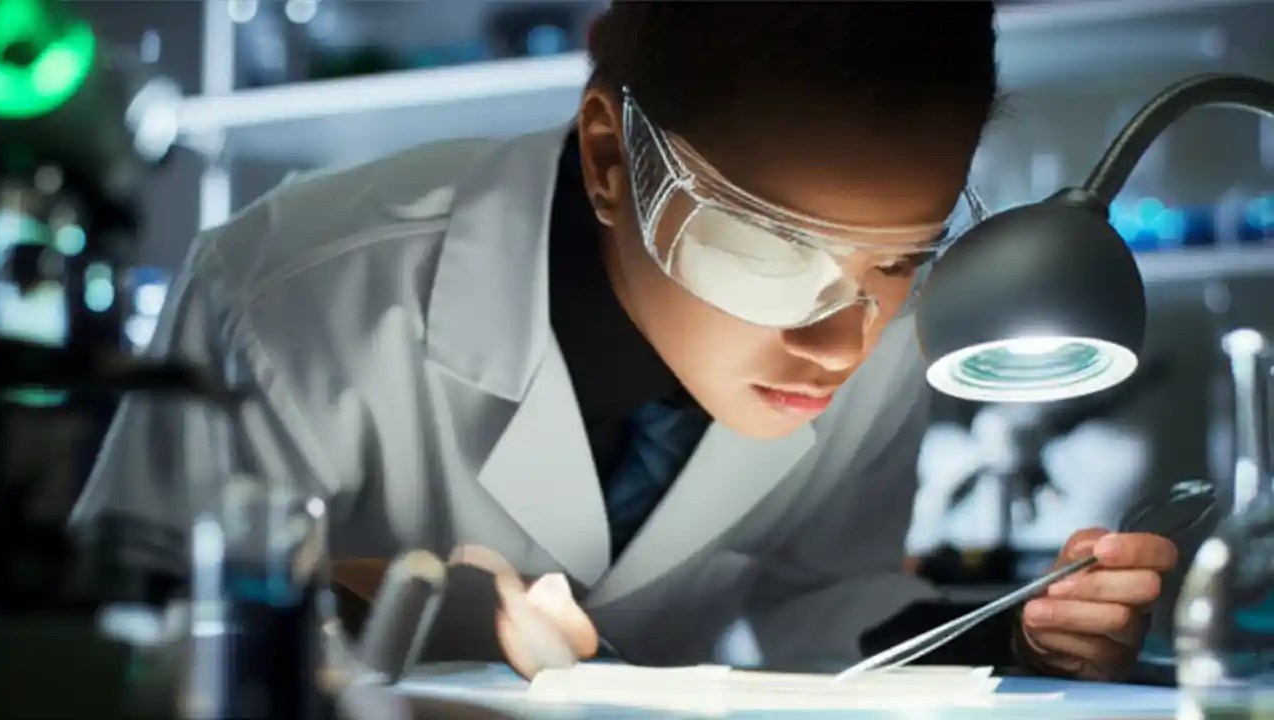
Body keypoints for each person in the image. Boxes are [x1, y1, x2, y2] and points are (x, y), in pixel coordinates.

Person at [72, 1, 1177, 680]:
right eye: (770, 248)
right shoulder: (287, 298)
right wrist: (362, 605)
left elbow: (820, 608)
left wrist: (1014, 637)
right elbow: (101, 652)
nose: (844, 342)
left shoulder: (878, 336)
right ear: (611, 157)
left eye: (901, 258)